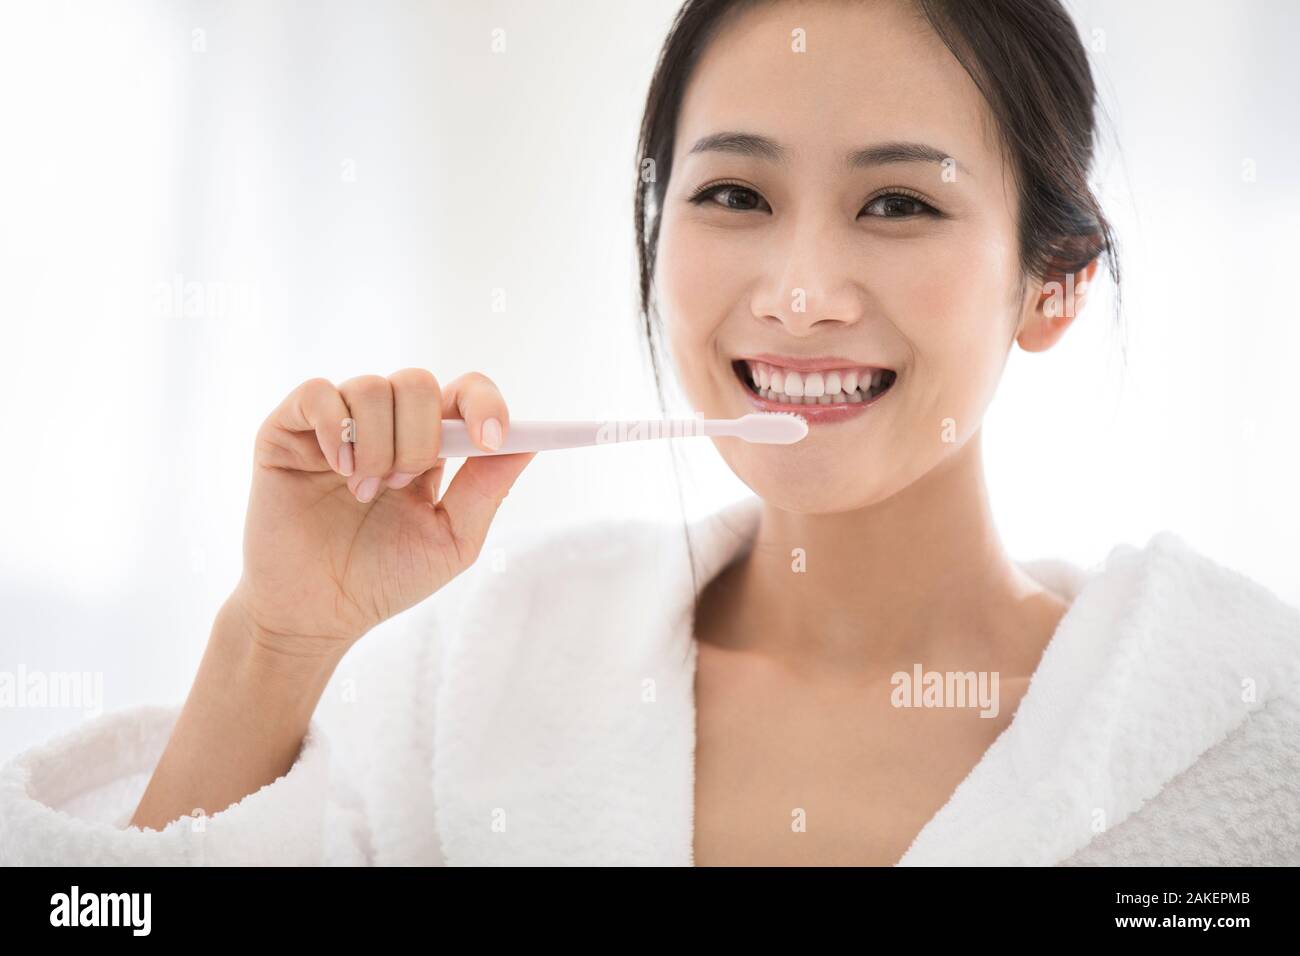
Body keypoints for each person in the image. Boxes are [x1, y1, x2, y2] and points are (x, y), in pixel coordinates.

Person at [3, 0, 1298, 866]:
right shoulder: (489, 684)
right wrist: (279, 637)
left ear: (1054, 284)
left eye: (898, 204)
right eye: (735, 192)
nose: (799, 289)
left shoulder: (1247, 733)